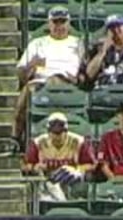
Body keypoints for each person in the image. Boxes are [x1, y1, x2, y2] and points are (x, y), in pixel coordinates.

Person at [15, 5, 85, 144]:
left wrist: (78, 79)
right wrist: (32, 65)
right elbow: (21, 73)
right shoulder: (37, 43)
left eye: (62, 22)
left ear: (68, 23)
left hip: (70, 84)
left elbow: (85, 71)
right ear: (49, 23)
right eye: (55, 22)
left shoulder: (78, 43)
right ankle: (15, 136)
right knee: (27, 89)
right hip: (41, 84)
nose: (59, 26)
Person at [22, 111, 97, 202]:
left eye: (60, 133)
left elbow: (92, 165)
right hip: (47, 183)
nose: (57, 136)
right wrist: (35, 167)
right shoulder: (38, 143)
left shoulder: (79, 142)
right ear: (48, 132)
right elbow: (25, 166)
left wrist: (77, 169)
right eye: (54, 132)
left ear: (66, 131)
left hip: (72, 182)